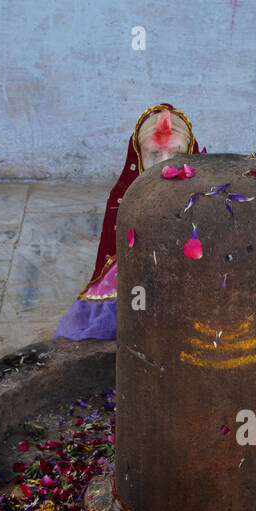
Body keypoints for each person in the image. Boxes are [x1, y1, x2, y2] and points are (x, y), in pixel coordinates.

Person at [54, 104, 201, 340]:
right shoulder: (125, 198)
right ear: (139, 156)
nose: (165, 163)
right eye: (154, 154)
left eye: (177, 154)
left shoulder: (203, 194)